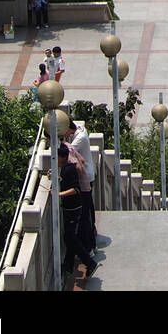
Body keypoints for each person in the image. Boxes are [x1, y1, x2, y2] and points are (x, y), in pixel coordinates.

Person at [57, 142, 98, 281]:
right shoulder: (64, 168)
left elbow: (75, 189)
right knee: (69, 236)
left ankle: (89, 262)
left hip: (73, 208)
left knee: (70, 237)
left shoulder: (69, 169)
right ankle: (68, 265)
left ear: (62, 157)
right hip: (70, 208)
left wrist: (59, 194)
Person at [67, 119, 97, 250]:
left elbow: (69, 153)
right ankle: (91, 243)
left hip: (85, 178)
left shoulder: (80, 138)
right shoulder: (78, 130)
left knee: (85, 214)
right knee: (87, 212)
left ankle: (89, 246)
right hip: (87, 176)